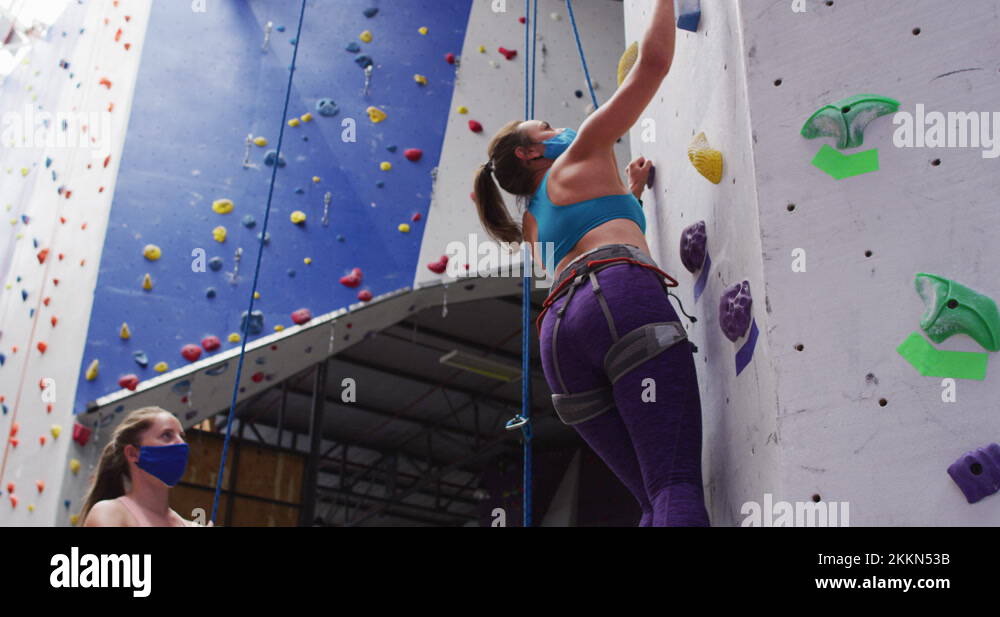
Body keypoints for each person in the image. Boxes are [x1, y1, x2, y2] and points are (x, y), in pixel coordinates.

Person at [472, 0, 709, 526]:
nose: (560, 129)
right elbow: (652, 65)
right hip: (618, 300)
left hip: (560, 339)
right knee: (673, 483)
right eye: (546, 128)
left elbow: (593, 234)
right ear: (530, 154)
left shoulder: (533, 223)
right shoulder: (581, 152)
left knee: (651, 498)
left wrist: (631, 195)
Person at [79, 406, 209, 527]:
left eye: (182, 436)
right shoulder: (109, 513)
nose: (181, 444)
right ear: (133, 453)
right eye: (167, 435)